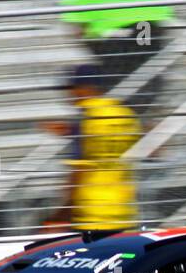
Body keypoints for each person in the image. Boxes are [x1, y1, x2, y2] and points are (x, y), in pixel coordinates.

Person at [42, 64, 142, 231]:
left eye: (71, 88)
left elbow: (80, 172)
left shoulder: (85, 118)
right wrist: (71, 131)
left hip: (91, 217)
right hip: (124, 211)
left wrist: (61, 215)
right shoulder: (126, 114)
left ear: (83, 88)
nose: (68, 94)